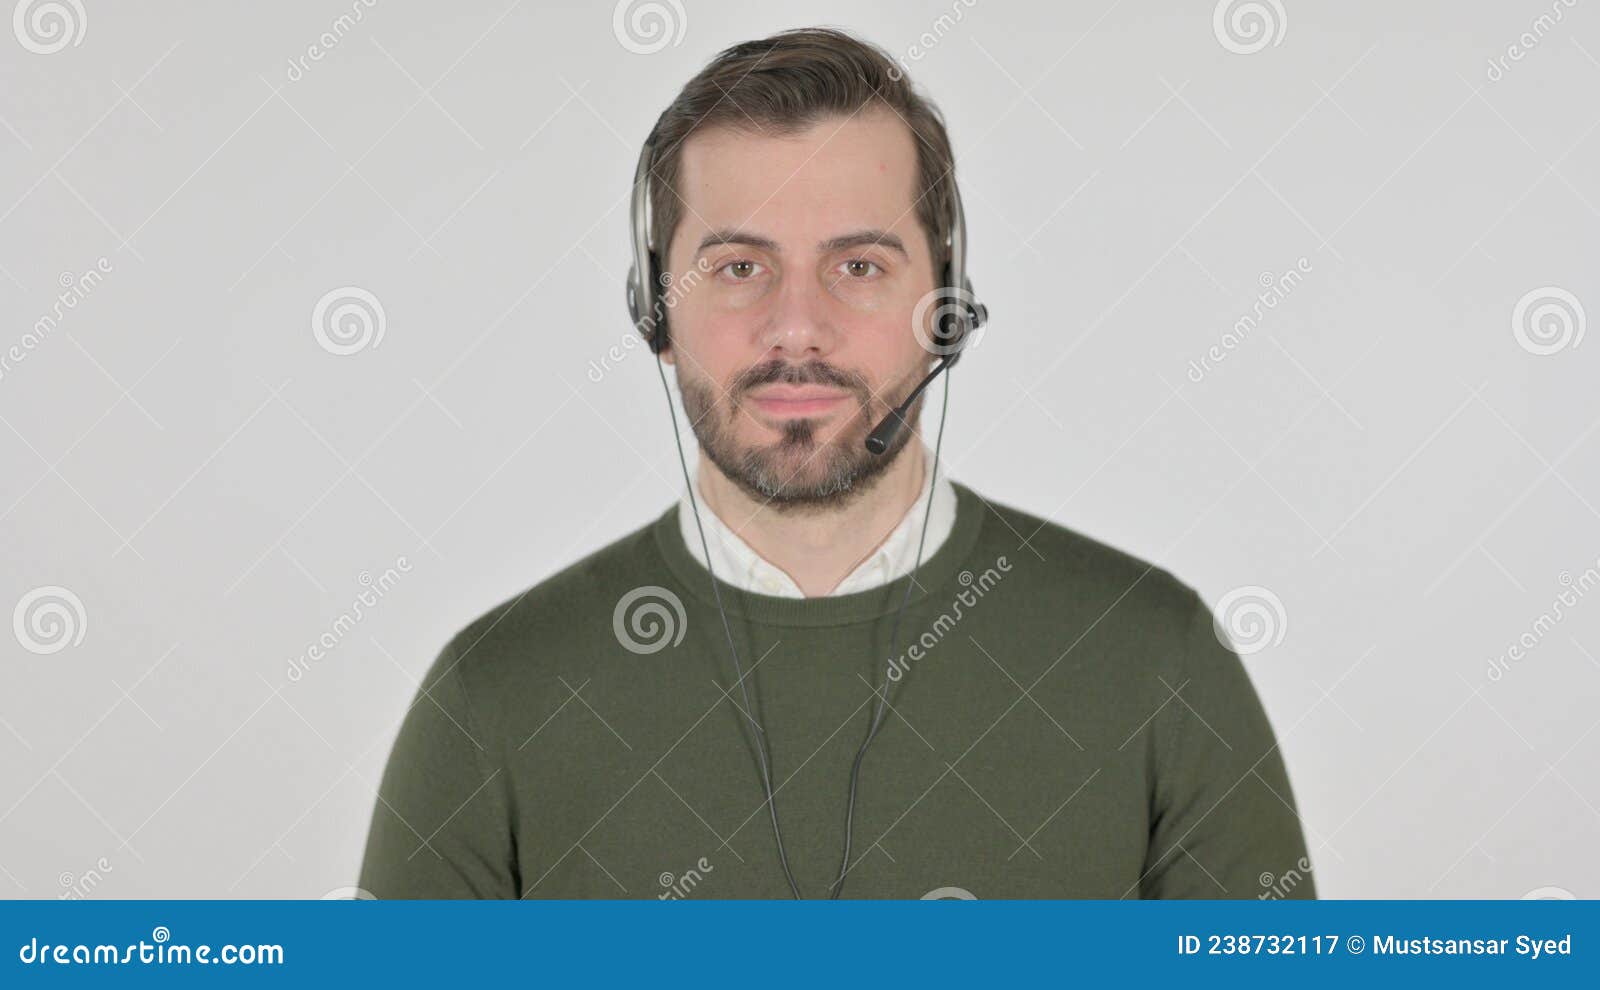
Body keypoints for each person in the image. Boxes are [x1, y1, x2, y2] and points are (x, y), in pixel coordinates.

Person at [357, 26, 1314, 900]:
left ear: (946, 305)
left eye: (859, 266)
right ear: (656, 310)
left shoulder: (1155, 658)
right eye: (738, 266)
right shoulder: (492, 694)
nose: (796, 328)